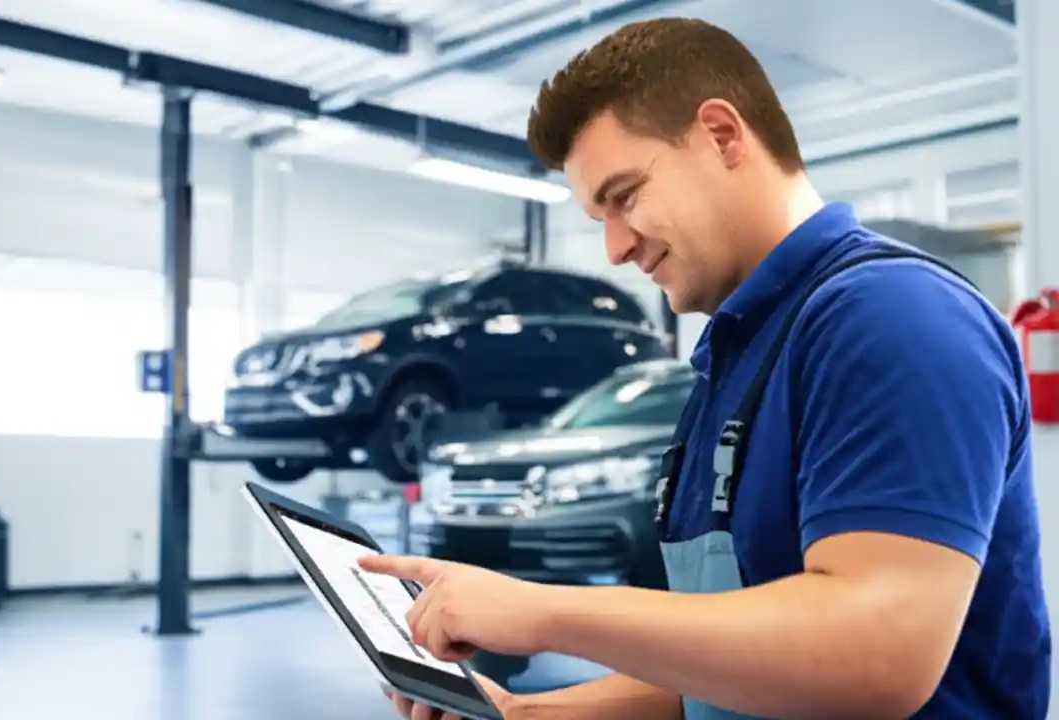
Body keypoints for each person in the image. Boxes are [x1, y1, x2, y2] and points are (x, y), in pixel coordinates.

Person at [366, 17, 1051, 720]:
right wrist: (524, 714)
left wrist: (544, 612)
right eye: (598, 215)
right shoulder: (735, 363)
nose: (614, 248)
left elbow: (877, 651)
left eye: (625, 196)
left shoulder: (893, 317)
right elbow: (728, 668)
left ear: (722, 135)